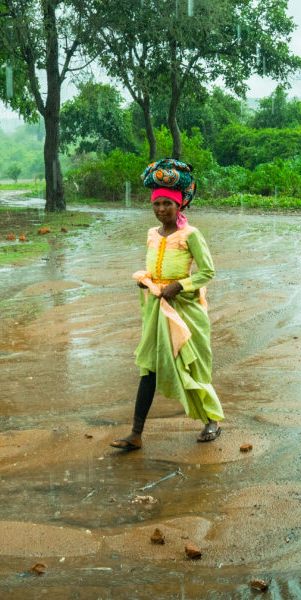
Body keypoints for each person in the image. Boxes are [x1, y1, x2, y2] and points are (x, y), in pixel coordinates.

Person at [111, 159, 224, 451]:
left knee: (194, 366)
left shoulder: (191, 235)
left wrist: (180, 286)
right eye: (156, 204)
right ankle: (135, 434)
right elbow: (154, 268)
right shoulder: (151, 234)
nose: (161, 210)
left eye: (167, 204)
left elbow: (207, 272)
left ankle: (212, 420)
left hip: (185, 309)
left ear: (179, 206)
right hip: (156, 309)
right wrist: (147, 280)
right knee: (148, 367)